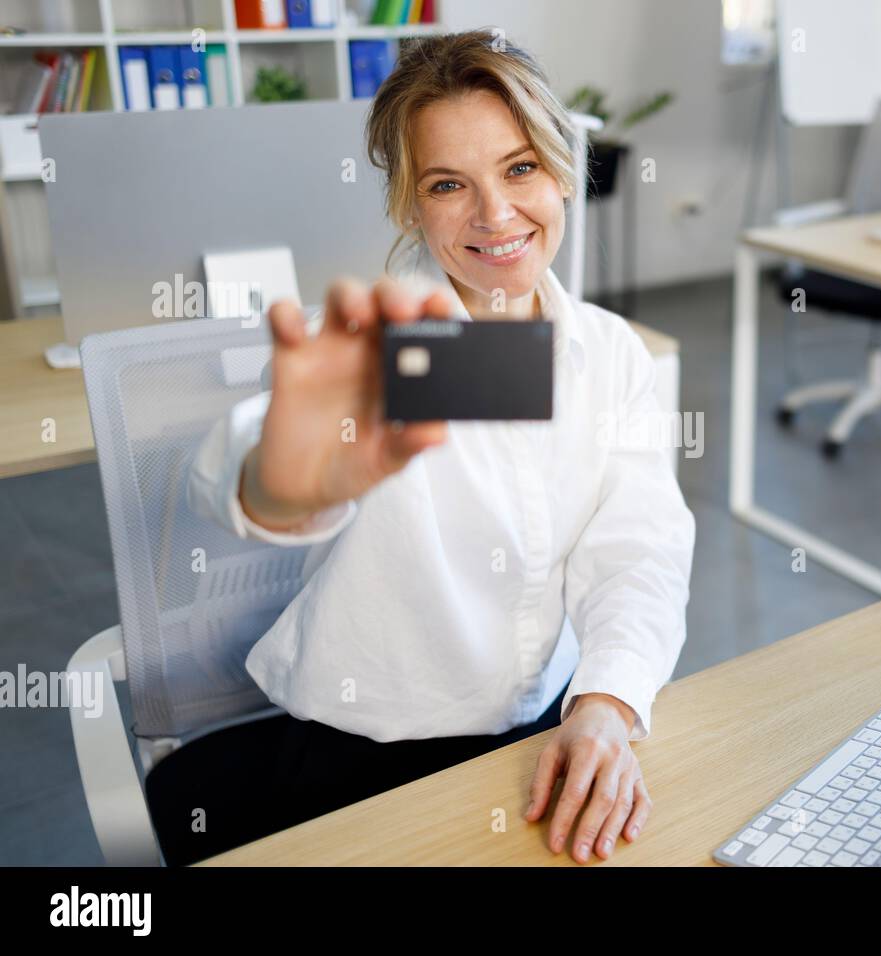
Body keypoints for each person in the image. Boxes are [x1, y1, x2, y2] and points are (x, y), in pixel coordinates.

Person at [174, 28, 695, 866]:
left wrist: (606, 703)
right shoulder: (362, 345)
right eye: (449, 184)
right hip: (366, 751)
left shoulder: (610, 353)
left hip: (547, 726)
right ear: (411, 207)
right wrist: (276, 487)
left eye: (520, 167)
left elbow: (641, 550)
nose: (495, 215)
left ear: (563, 171)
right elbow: (242, 460)